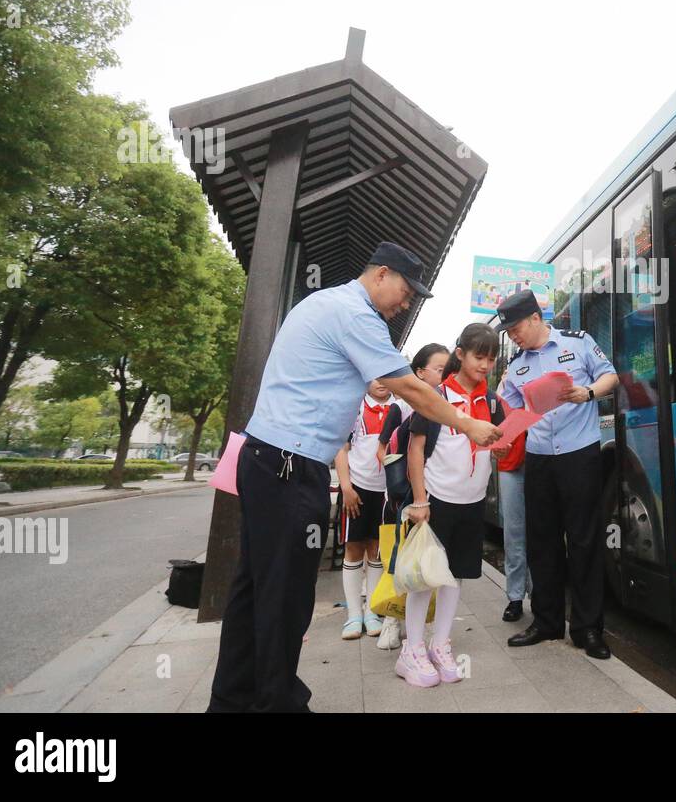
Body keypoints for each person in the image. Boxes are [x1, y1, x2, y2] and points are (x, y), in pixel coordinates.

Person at [207, 243, 501, 713]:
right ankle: (278, 704)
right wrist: (466, 423)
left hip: (269, 458)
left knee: (254, 591)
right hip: (288, 465)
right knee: (284, 597)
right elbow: (407, 386)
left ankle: (231, 702)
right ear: (381, 274)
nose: (404, 304)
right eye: (405, 293)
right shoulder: (356, 314)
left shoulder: (325, 303)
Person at [494, 289, 619, 659]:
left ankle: (588, 629)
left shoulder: (578, 343)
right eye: (508, 331)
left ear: (535, 318)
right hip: (539, 459)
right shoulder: (516, 365)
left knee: (583, 541)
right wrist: (502, 437)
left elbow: (610, 376)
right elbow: (513, 414)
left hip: (579, 453)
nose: (512, 336)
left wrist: (589, 392)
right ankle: (546, 621)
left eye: (515, 328)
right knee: (542, 542)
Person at [395, 323, 505, 687]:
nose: (485, 365)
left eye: (491, 359)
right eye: (479, 357)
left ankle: (440, 644)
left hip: (472, 502)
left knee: (454, 576)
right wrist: (420, 499)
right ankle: (411, 650)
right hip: (437, 499)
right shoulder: (436, 396)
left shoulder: (491, 401)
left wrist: (501, 444)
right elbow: (415, 449)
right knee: (427, 576)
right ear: (460, 354)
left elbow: (498, 441)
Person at [372, 342, 449, 651]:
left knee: (431, 559)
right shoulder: (401, 407)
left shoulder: (449, 404)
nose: (447, 376)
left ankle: (426, 624)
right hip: (407, 494)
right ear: (420, 373)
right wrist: (400, 482)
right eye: (441, 370)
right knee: (401, 556)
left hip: (438, 493)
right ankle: (391, 619)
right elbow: (384, 449)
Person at [333, 379, 394, 641]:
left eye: (385, 377)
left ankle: (372, 611)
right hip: (356, 490)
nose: (380, 383)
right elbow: (341, 448)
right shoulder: (354, 408)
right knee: (353, 547)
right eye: (375, 378)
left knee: (376, 548)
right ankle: (354, 615)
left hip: (386, 491)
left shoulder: (399, 408)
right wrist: (346, 487)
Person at [493, 427, 530, 621]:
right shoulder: (504, 397)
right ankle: (515, 597)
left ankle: (538, 593)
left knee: (541, 530)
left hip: (545, 455)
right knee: (513, 532)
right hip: (511, 459)